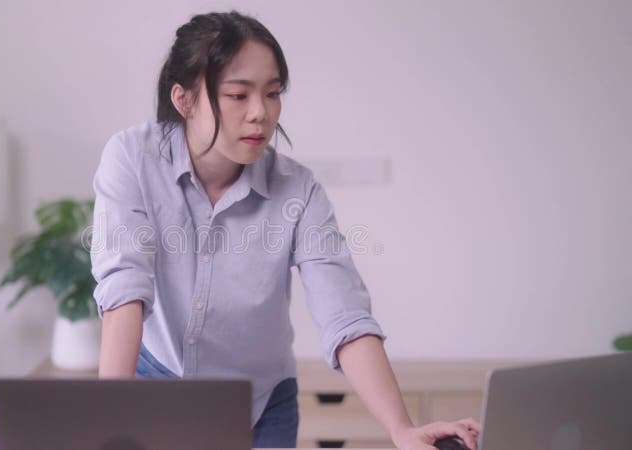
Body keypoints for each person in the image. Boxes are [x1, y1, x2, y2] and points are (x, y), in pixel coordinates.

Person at [91, 10, 481, 450]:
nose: (261, 113)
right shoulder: (132, 158)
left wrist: (400, 428)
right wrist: (112, 418)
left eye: (273, 93)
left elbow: (344, 315)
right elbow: (125, 288)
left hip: (260, 406)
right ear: (184, 100)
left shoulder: (298, 190)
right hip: (156, 383)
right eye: (239, 95)